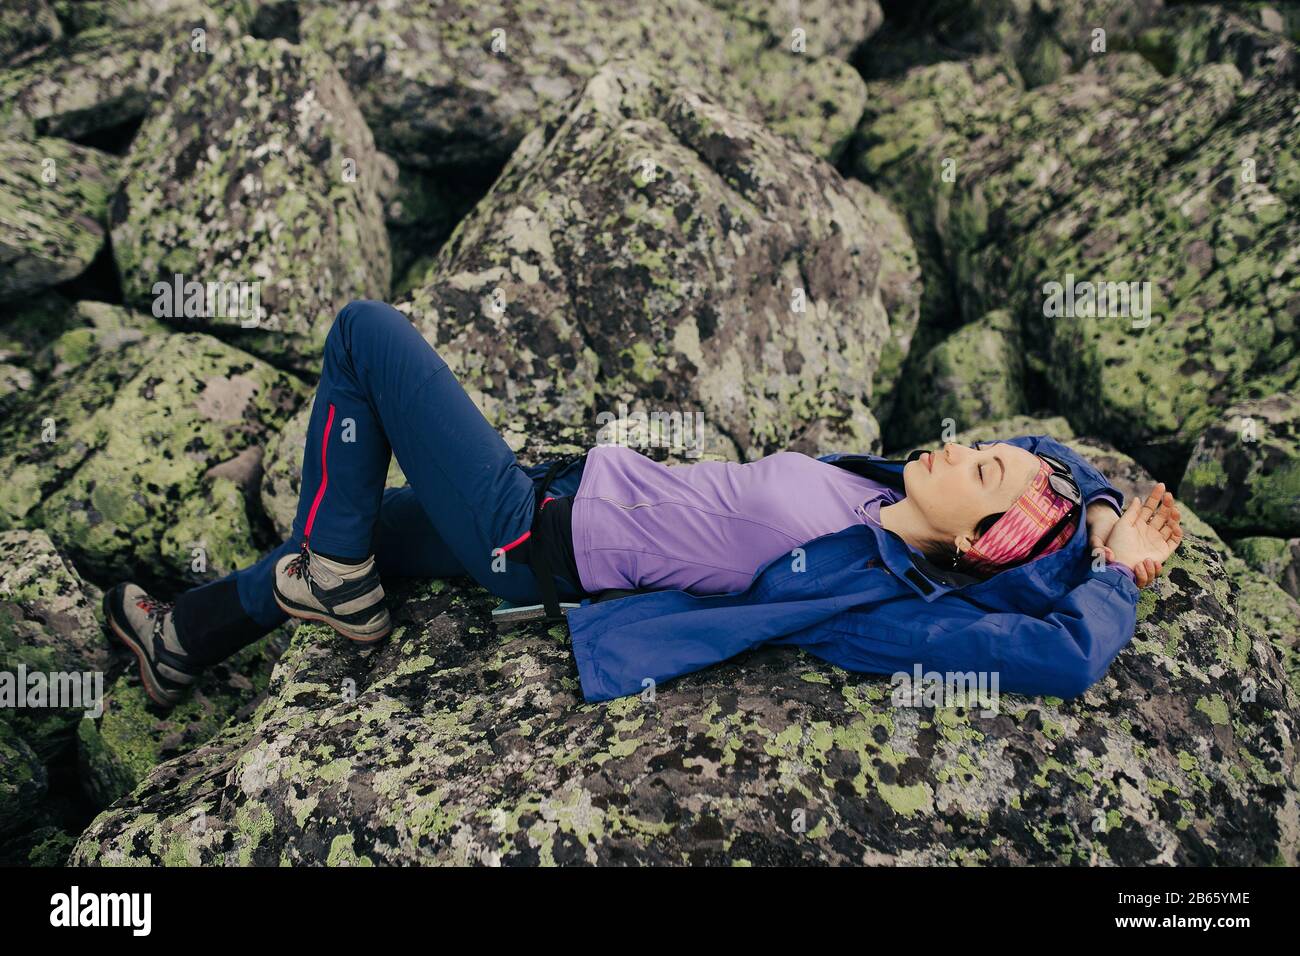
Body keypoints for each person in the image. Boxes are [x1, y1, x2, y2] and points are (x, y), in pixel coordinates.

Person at [104, 300, 1183, 709]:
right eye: (977, 442)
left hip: (525, 535)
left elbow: (1062, 659)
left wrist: (1112, 575)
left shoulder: (868, 589)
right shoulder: (882, 489)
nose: (963, 443)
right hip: (553, 496)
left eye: (980, 469)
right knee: (368, 521)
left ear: (974, 537)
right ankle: (180, 641)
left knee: (361, 336)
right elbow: (1048, 449)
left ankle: (327, 577)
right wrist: (1094, 510)